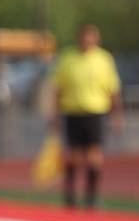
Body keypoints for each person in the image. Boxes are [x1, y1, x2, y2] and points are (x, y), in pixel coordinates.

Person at [50, 24, 123, 209]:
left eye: (91, 37)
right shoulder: (68, 58)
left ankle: (92, 198)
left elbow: (113, 89)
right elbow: (58, 89)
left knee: (94, 156)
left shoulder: (104, 59)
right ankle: (70, 197)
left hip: (95, 112)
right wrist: (55, 114)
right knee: (72, 156)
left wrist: (117, 114)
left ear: (96, 39)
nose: (87, 41)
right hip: (73, 111)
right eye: (84, 37)